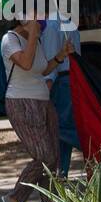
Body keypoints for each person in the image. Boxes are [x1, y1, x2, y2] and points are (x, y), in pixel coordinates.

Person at [0, 13, 72, 202]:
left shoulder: (35, 40)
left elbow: (40, 69)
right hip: (22, 104)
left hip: (44, 103)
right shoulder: (10, 39)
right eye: (37, 18)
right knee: (44, 155)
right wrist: (32, 33)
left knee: (53, 159)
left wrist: (60, 56)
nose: (42, 22)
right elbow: (26, 63)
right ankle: (14, 197)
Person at [39, 15, 82, 178]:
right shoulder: (69, 22)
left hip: (60, 82)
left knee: (62, 129)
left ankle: (100, 153)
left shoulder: (51, 26)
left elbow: (51, 65)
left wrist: (46, 91)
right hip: (72, 79)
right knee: (63, 131)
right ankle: (60, 173)